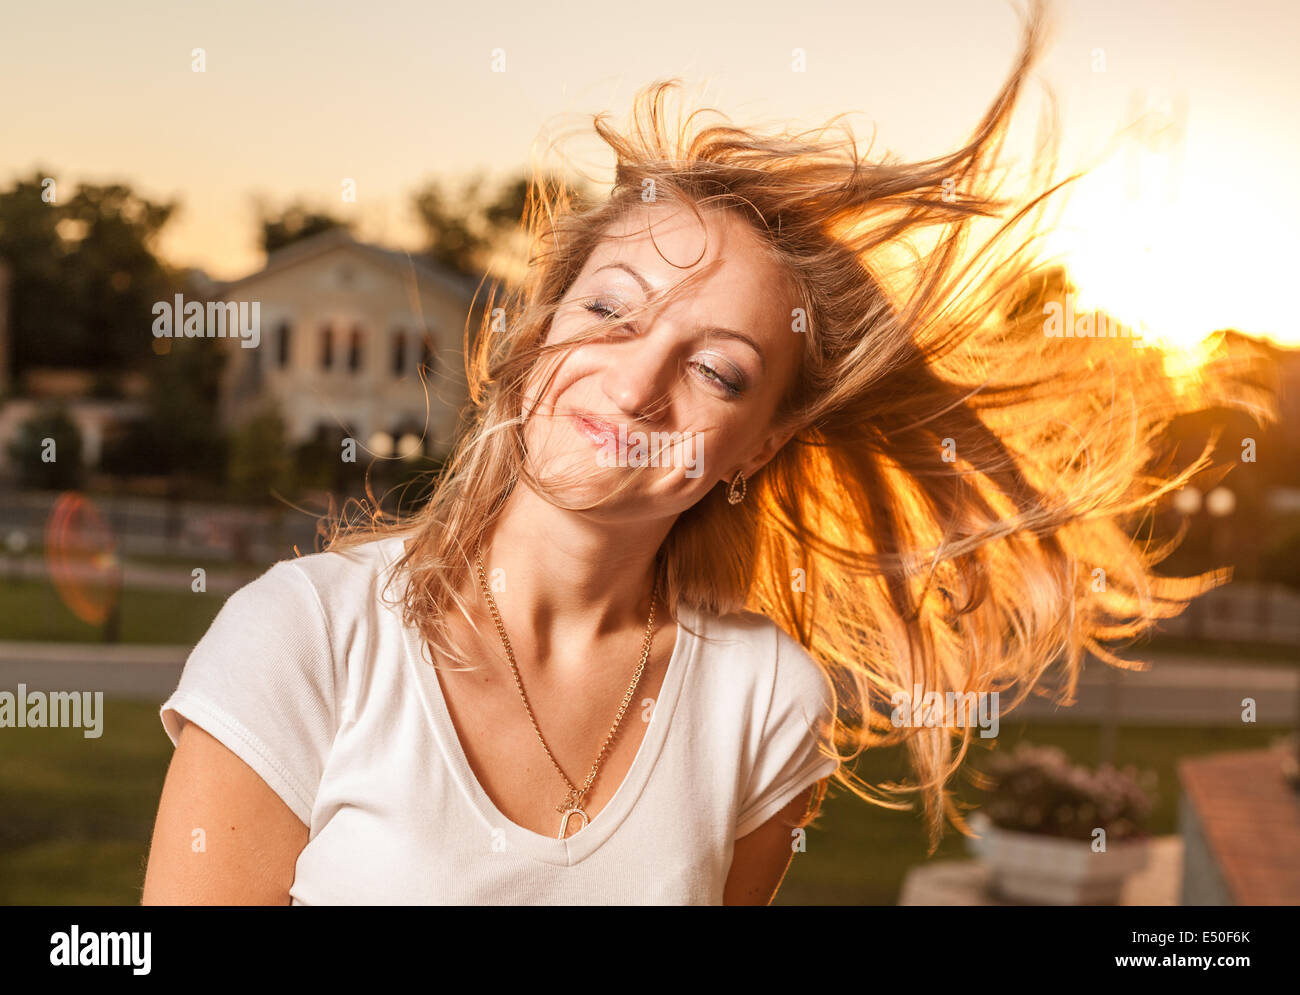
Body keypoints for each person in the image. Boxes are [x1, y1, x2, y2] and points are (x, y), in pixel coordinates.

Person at [141, 1, 1225, 905]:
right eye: (609, 309)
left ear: (759, 444)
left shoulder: (764, 701)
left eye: (716, 370)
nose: (635, 381)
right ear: (535, 336)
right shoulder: (305, 636)